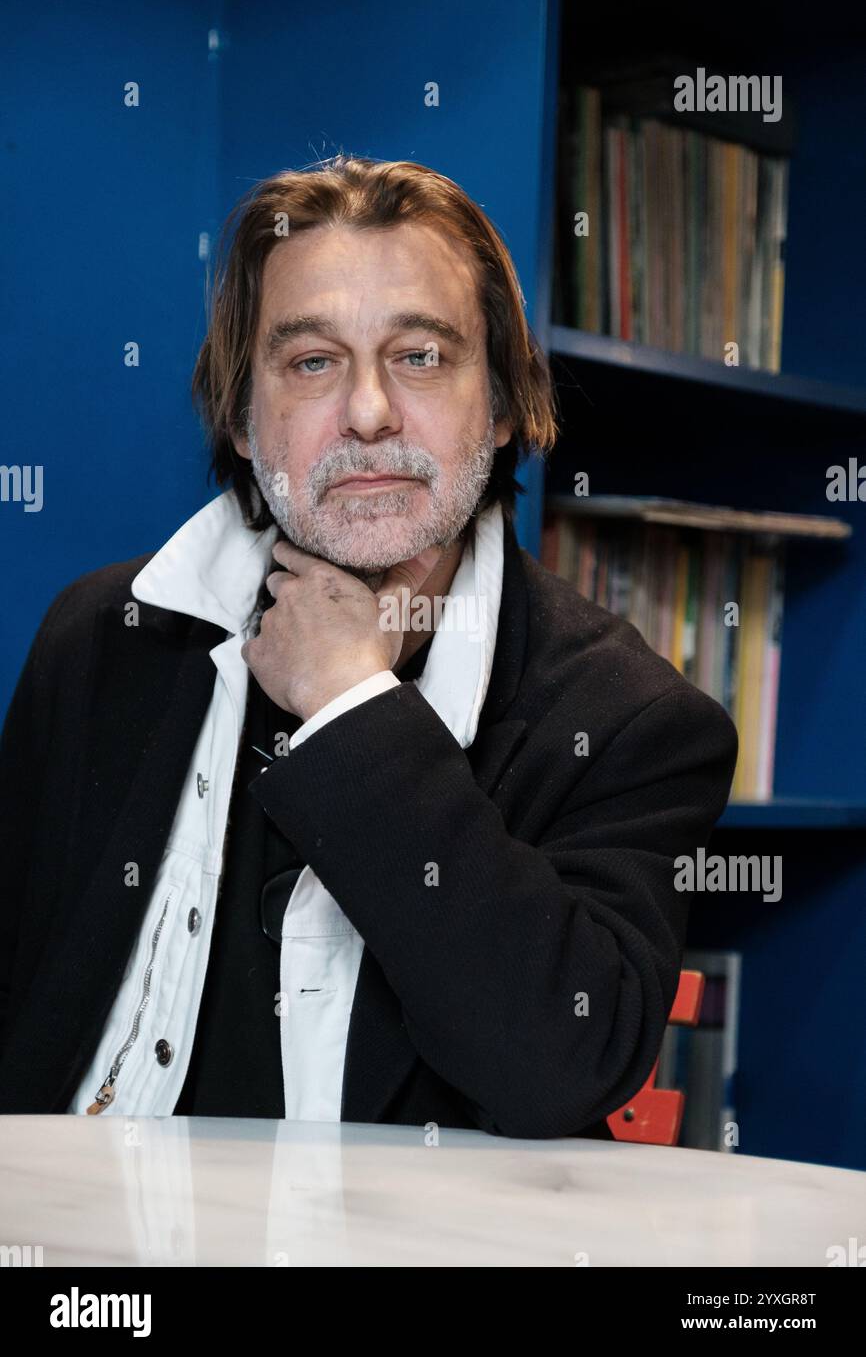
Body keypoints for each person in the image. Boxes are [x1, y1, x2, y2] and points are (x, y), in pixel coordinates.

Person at [0, 155, 737, 1136]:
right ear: (239, 409)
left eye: (420, 355)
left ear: (508, 397)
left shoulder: (623, 719)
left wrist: (354, 704)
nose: (368, 411)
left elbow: (561, 1064)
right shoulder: (101, 636)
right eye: (311, 362)